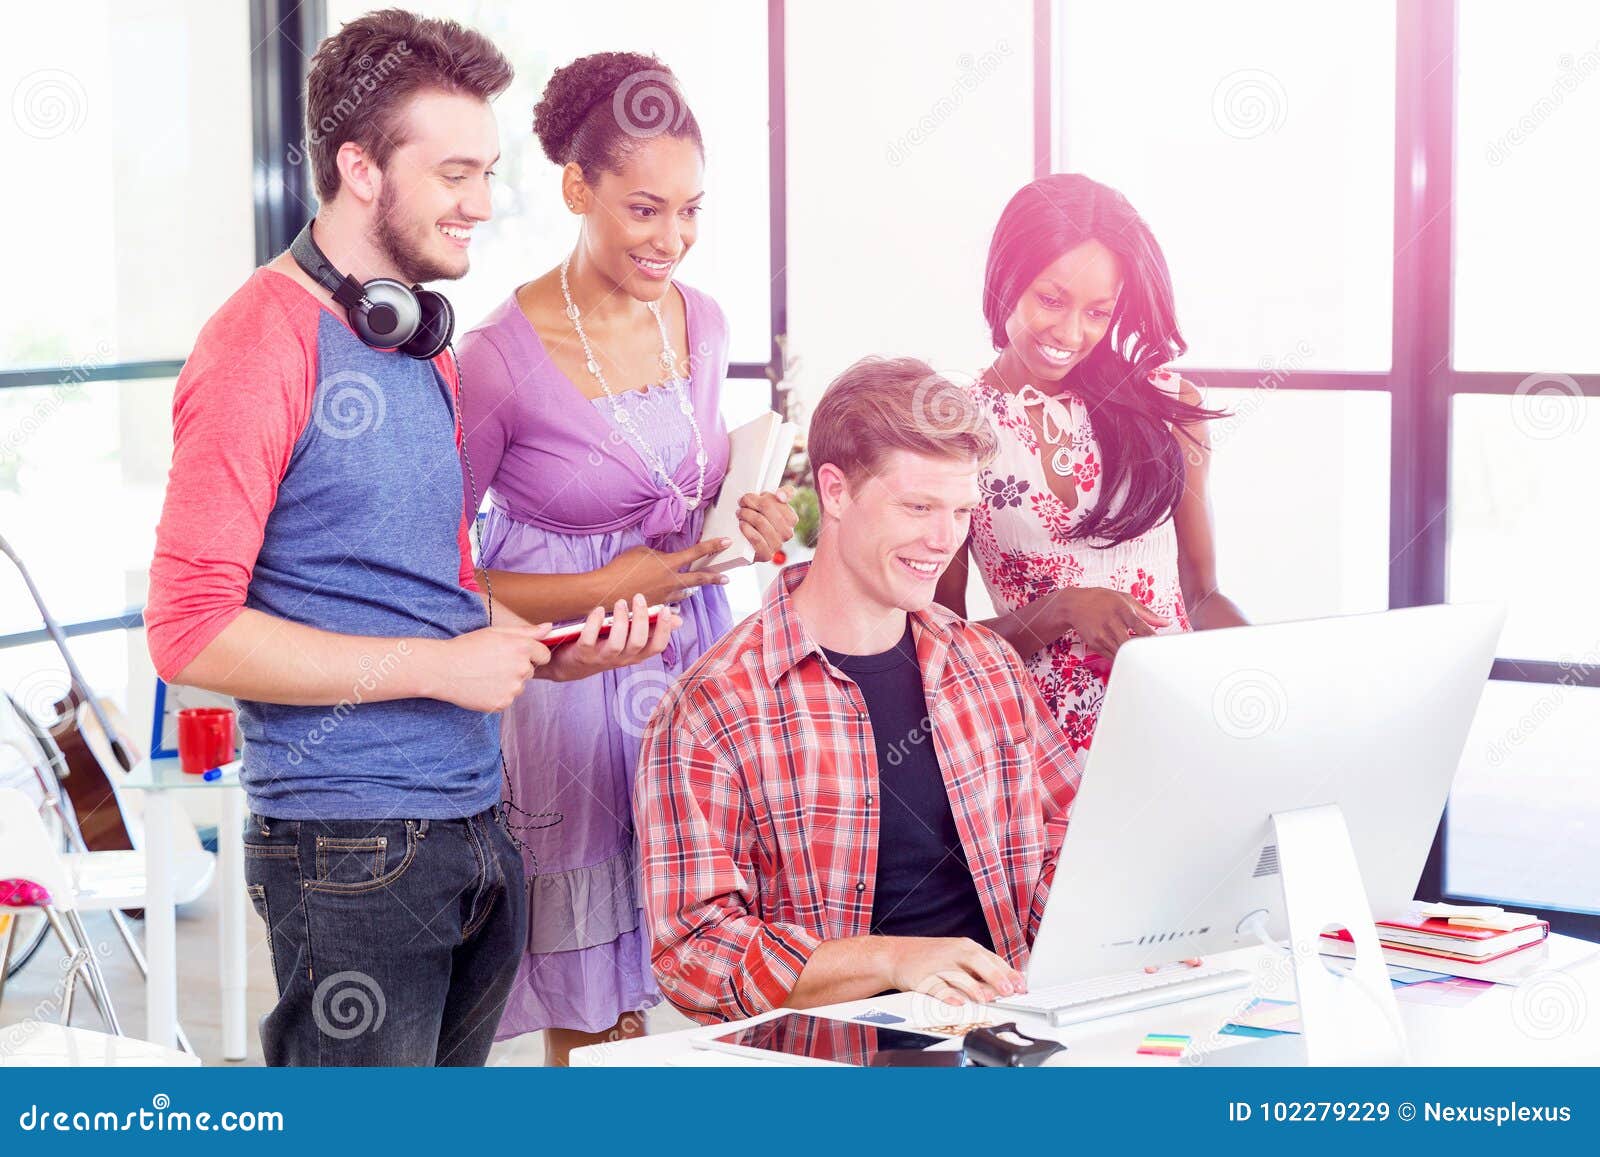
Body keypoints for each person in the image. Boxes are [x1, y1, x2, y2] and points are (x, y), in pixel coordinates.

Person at [145, 11, 659, 1067]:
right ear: (359, 168)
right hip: (350, 847)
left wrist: (550, 656)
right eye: (455, 173)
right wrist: (442, 666)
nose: (480, 202)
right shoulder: (259, 343)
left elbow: (444, 585)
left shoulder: (413, 337)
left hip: (472, 817)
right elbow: (188, 632)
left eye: (487, 171)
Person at [457, 52, 795, 1063]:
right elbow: (442, 573)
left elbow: (691, 494)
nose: (673, 238)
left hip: (686, 652)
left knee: (706, 925)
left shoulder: (702, 320)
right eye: (646, 209)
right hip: (569, 664)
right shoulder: (496, 357)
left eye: (691, 209)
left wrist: (754, 513)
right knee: (600, 992)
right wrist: (605, 585)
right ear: (577, 188)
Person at [634, 357, 1080, 1024]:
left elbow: (1064, 847)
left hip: (1009, 1041)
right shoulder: (710, 708)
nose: (944, 539)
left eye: (961, 510)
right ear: (835, 492)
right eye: (918, 506)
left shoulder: (989, 668)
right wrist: (892, 960)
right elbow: (694, 954)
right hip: (829, 1070)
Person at [935, 173, 1247, 752]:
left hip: (1175, 727)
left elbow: (1200, 592)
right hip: (1038, 748)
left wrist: (1266, 669)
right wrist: (1059, 611)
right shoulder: (956, 426)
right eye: (1050, 300)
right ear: (1005, 278)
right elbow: (942, 645)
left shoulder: (1168, 406)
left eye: (1099, 312)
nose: (1070, 333)